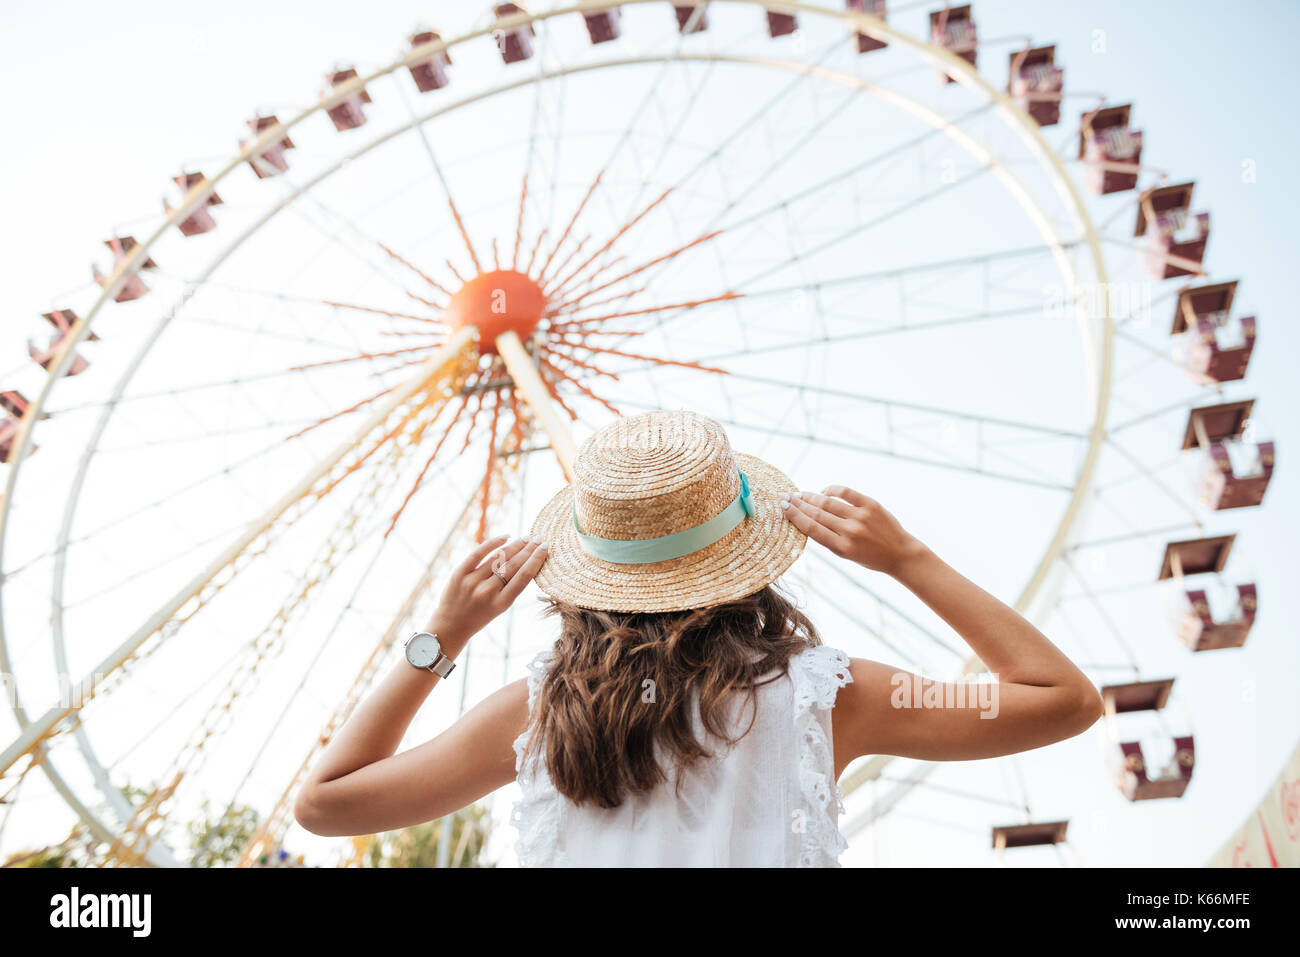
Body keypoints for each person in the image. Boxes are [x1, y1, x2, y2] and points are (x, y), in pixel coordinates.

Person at [293, 409, 1104, 866]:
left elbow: (326, 804)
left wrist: (445, 634)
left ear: (588, 572)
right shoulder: (822, 696)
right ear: (747, 556)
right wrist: (909, 560)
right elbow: (1062, 700)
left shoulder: (541, 712)